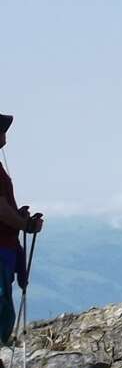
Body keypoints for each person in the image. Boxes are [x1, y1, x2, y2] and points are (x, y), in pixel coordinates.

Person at [0, 113, 43, 350]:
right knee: (1, 306)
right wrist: (24, 225)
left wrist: (20, 218)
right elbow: (1, 210)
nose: (5, 134)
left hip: (6, 247)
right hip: (2, 248)